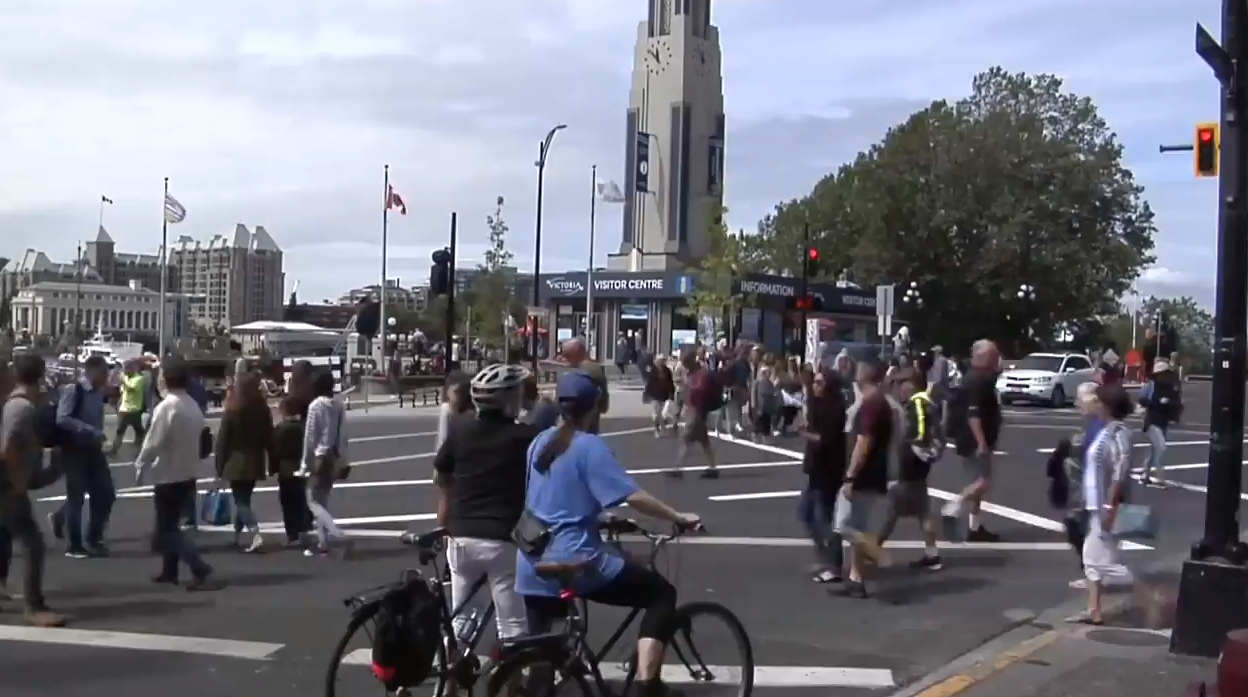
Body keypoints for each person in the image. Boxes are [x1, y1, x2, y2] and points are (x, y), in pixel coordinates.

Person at [516, 370, 700, 697]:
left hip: (531, 561)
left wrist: (598, 518)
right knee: (661, 595)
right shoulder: (590, 447)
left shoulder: (539, 442)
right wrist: (677, 516)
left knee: (542, 655)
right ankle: (648, 685)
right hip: (575, 561)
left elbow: (548, 501)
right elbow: (634, 496)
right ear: (594, 409)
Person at [433, 363, 537, 645]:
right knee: (512, 625)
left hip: (461, 534)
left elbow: (441, 471)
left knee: (463, 622)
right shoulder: (523, 436)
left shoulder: (461, 431)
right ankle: (513, 685)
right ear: (507, 400)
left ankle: (449, 683)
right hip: (501, 537)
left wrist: (457, 496)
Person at [135, 356, 225, 591]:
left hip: (168, 472)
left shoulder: (166, 407)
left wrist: (140, 462)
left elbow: (153, 441)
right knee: (172, 523)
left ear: (164, 379)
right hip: (188, 471)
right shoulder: (191, 404)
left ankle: (199, 568)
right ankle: (169, 571)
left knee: (167, 530)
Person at [0, 355, 65, 626]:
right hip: (6, 485)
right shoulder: (20, 408)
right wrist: (17, 482)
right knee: (33, 544)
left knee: (3, 536)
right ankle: (34, 605)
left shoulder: (14, 404)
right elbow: (10, 447)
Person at [1073, 383, 1135, 625]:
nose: (1094, 404)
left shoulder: (1120, 432)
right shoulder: (1105, 429)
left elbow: (1121, 471)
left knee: (1097, 560)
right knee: (1092, 559)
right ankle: (1094, 610)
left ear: (1108, 405)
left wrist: (1111, 506)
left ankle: (1145, 587)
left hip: (1106, 506)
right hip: (1095, 504)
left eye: (1098, 401)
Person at [834, 361, 891, 598]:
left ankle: (876, 553)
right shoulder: (875, 401)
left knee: (843, 524)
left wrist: (850, 475)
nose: (856, 369)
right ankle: (856, 580)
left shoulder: (873, 404)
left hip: (864, 475)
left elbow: (864, 442)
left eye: (860, 365)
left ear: (869, 372)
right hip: (874, 474)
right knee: (858, 524)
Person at [49, 355, 116, 558]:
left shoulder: (98, 393)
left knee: (105, 493)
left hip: (94, 449)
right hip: (74, 450)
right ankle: (75, 545)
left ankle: (93, 537)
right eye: (104, 372)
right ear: (92, 372)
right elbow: (62, 418)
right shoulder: (73, 390)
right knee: (76, 497)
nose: (108, 376)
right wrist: (88, 430)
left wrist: (99, 436)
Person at [876, 368, 943, 571]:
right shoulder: (928, 402)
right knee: (923, 510)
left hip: (910, 463)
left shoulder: (917, 403)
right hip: (921, 464)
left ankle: (870, 551)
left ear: (911, 384)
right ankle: (932, 555)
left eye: (901, 384)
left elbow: (919, 431)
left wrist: (908, 441)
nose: (899, 389)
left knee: (890, 512)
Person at [941, 339, 1003, 543]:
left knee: (979, 481)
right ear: (984, 357)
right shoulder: (978, 380)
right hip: (975, 439)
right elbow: (973, 413)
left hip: (971, 437)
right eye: (994, 356)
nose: (997, 359)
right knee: (982, 482)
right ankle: (954, 503)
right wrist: (982, 443)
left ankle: (975, 527)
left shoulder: (974, 377)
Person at [214, 371, 275, 552]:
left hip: (235, 460)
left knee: (240, 500)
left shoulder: (233, 409)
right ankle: (237, 536)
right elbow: (269, 438)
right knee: (244, 498)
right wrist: (272, 461)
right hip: (255, 459)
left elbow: (222, 442)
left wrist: (219, 467)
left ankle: (255, 533)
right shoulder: (262, 409)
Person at [799, 368, 847, 584]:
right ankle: (826, 557)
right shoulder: (819, 405)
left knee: (824, 518)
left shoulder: (834, 409)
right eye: (815, 382)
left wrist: (805, 433)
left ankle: (834, 565)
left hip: (828, 471)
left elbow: (825, 439)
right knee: (806, 513)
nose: (815, 386)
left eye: (819, 383)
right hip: (817, 469)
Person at [301, 370, 352, 557]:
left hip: (318, 456)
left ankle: (336, 534)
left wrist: (305, 463)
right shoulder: (338, 405)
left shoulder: (315, 406)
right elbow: (343, 434)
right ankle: (323, 542)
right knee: (323, 499)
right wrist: (342, 457)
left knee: (312, 500)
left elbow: (310, 436)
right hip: (332, 455)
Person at [669, 352, 719, 479]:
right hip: (694, 409)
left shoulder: (702, 375)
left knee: (686, 438)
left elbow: (700, 390)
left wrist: (687, 384)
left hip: (697, 409)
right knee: (704, 440)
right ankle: (712, 467)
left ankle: (678, 467)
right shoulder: (693, 374)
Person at [271, 396, 311, 547]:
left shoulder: (280, 429)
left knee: (288, 503)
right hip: (301, 467)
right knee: (301, 499)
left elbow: (275, 451)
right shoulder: (303, 427)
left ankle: (292, 534)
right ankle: (304, 528)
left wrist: (273, 468)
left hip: (286, 470)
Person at [1137, 359, 1182, 487]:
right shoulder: (1151, 386)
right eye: (1161, 373)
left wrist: (1171, 405)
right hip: (1152, 421)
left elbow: (1176, 403)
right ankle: (1161, 478)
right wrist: (1158, 402)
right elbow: (1142, 400)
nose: (1164, 376)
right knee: (1161, 447)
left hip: (1163, 421)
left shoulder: (1170, 387)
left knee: (1154, 449)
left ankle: (1145, 475)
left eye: (1165, 373)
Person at [562, 339, 610, 434]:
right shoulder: (595, 369)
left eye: (566, 356)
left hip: (566, 427)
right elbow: (604, 404)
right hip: (589, 423)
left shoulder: (562, 371)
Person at [109, 359, 148, 456]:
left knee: (139, 432)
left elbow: (131, 389)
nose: (125, 371)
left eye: (127, 368)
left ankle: (138, 451)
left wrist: (124, 380)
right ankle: (114, 450)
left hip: (134, 410)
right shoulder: (126, 377)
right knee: (120, 431)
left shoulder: (138, 378)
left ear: (133, 368)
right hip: (124, 410)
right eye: (124, 369)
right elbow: (122, 392)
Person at [436, 370, 473, 451]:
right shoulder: (447, 410)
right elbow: (443, 440)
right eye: (456, 393)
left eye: (461, 393)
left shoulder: (471, 413)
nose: (458, 398)